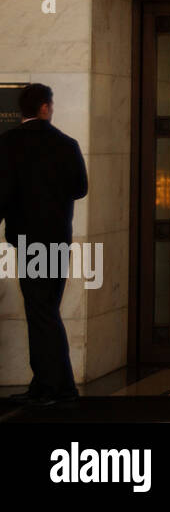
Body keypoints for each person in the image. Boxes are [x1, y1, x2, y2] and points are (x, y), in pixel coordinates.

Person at [0, 83, 88, 406]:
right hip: (56, 240)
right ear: (45, 108)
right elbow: (80, 189)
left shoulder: (7, 144)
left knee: (40, 310)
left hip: (28, 240)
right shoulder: (66, 144)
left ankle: (53, 386)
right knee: (46, 308)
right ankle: (55, 384)